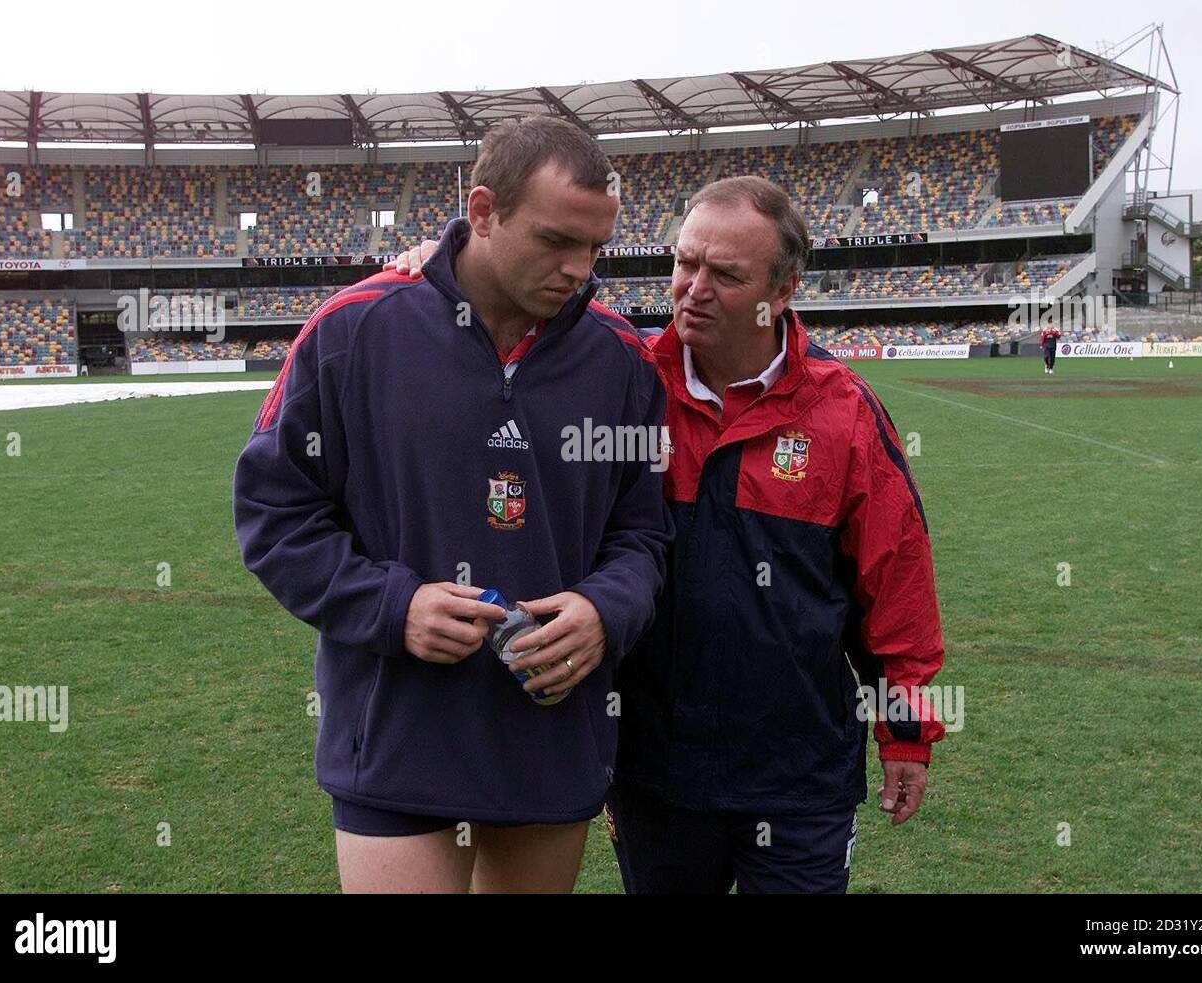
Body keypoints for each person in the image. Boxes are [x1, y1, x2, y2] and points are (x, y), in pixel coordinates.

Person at [390, 176, 946, 894]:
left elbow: (898, 586)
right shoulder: (624, 378)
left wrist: (905, 732)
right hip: (655, 770)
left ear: (783, 290)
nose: (693, 288)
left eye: (726, 275)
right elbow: (506, 307)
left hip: (799, 773)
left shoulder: (844, 414)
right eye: (686, 263)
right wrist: (439, 259)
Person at [233, 115, 672, 894]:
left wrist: (605, 609)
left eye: (596, 247)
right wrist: (392, 605)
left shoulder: (623, 362)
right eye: (555, 241)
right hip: (399, 730)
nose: (580, 268)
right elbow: (276, 516)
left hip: (549, 731)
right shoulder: (352, 331)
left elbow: (643, 535)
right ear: (482, 210)